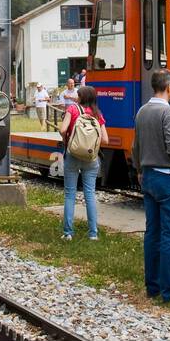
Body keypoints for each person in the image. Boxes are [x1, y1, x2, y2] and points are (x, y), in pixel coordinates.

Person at [132, 70, 170, 302]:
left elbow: (135, 147)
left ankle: (153, 287)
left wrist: (139, 169)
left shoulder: (142, 112)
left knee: (153, 234)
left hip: (148, 177)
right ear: (169, 87)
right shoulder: (168, 112)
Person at [60, 85, 108, 241]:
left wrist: (68, 140)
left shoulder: (73, 109)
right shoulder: (97, 114)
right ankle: (93, 233)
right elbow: (105, 139)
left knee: (70, 194)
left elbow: (62, 129)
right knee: (90, 195)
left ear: (81, 97)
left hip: (73, 155)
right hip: (91, 159)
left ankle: (68, 233)